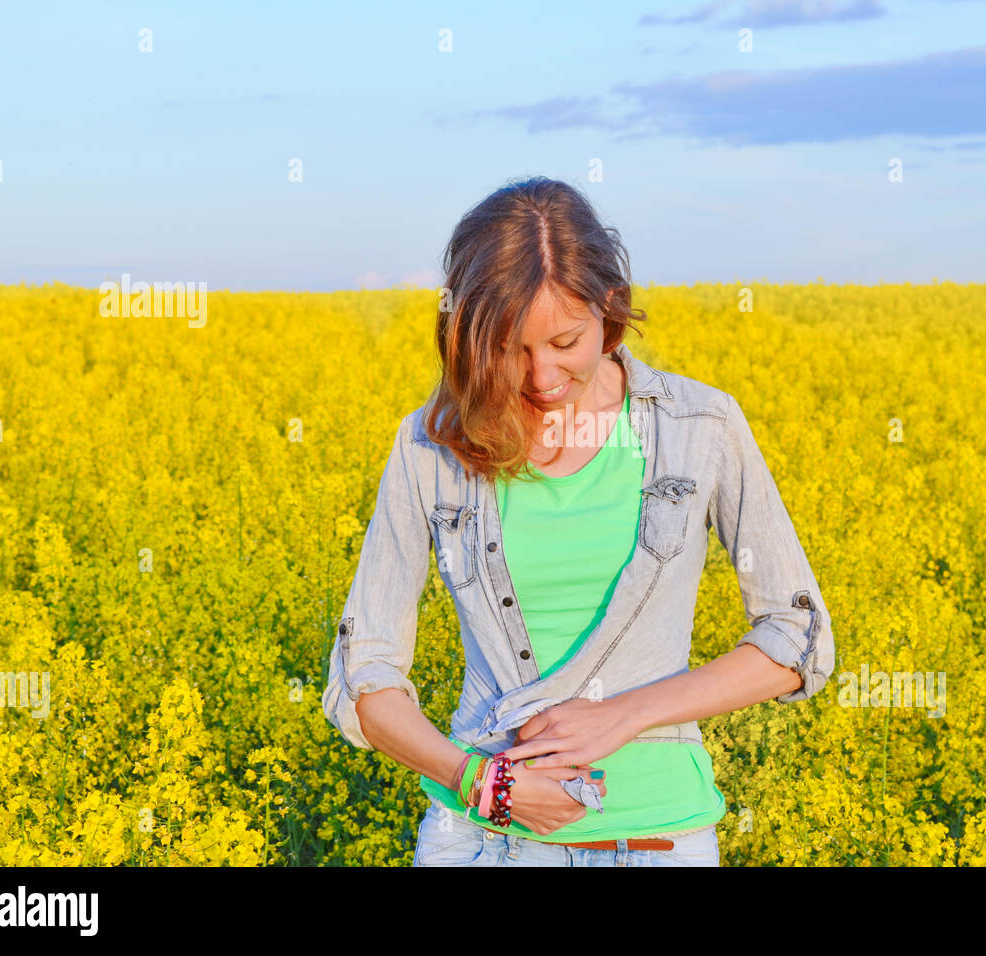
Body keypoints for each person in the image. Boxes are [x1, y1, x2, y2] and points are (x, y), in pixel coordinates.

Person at [322, 176, 835, 866]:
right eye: (509, 347)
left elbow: (797, 639)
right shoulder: (431, 447)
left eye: (566, 340)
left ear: (610, 309)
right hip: (482, 842)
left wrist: (624, 715)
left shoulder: (699, 426)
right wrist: (482, 783)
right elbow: (365, 677)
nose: (540, 376)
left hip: (655, 839)